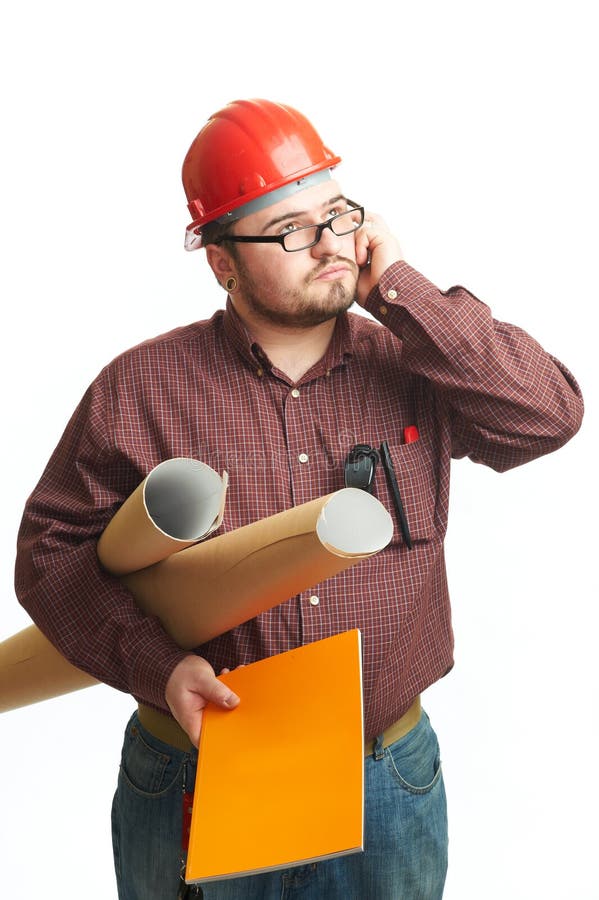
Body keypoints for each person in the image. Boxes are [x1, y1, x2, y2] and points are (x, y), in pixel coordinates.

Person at [14, 98, 583, 900]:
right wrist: (156, 665)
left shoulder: (416, 364)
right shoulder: (140, 388)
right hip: (199, 770)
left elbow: (547, 417)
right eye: (289, 230)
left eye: (338, 215)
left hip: (382, 777)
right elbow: (50, 556)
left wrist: (403, 292)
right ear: (221, 263)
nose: (328, 245)